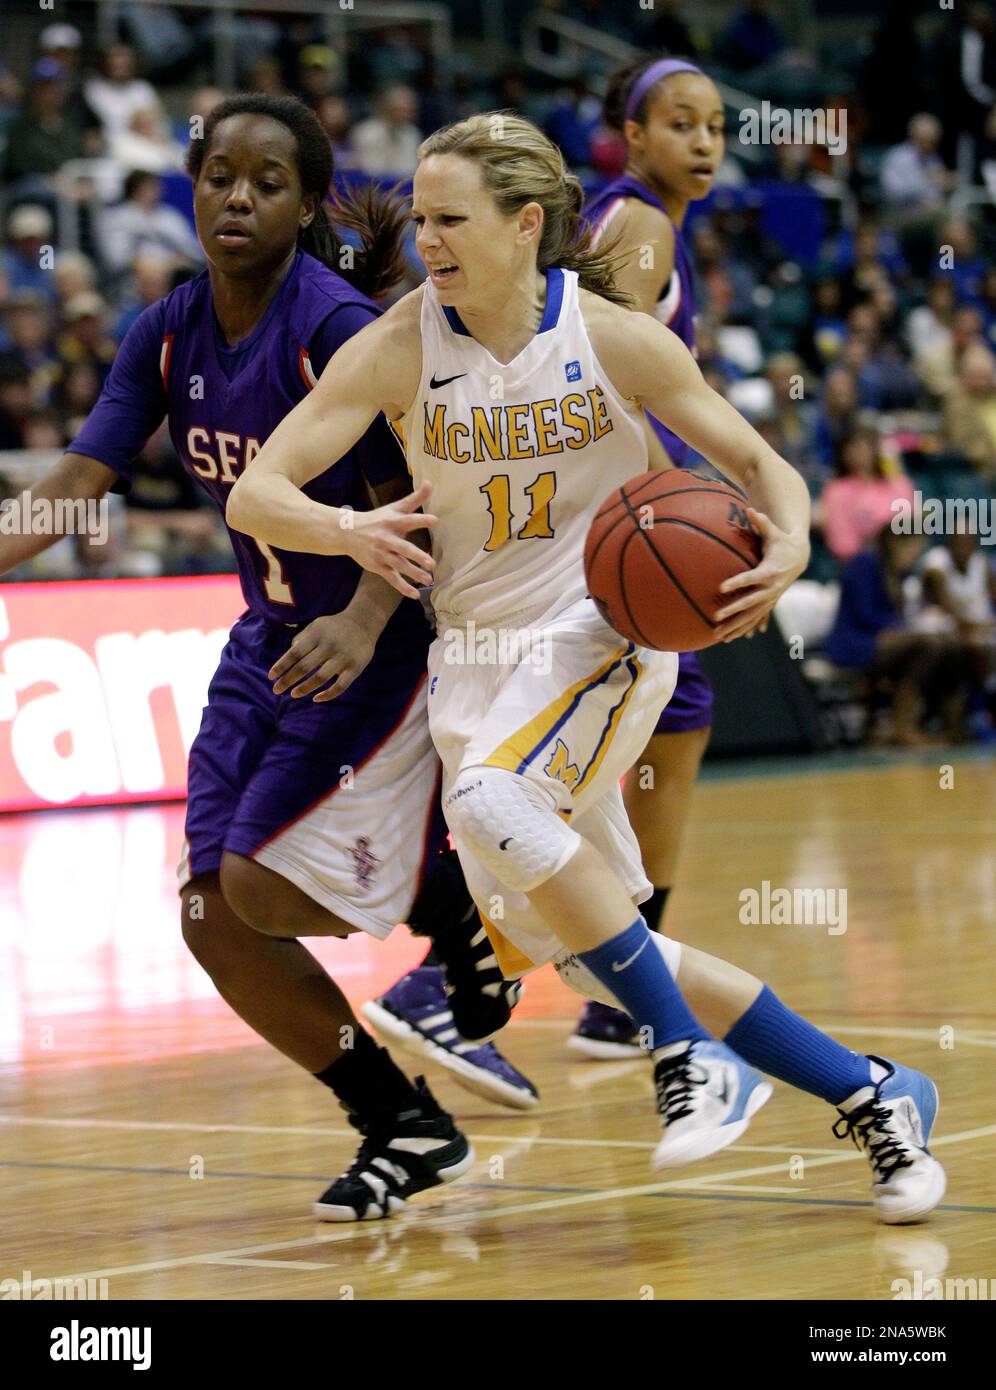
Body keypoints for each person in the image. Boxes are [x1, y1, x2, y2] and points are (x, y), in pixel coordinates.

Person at [228, 111, 946, 1222]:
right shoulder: (402, 342)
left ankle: (688, 1061)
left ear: (526, 226)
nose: (430, 240)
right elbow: (258, 491)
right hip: (475, 666)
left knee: (492, 796)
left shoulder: (611, 337)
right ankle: (878, 1091)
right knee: (600, 945)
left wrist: (792, 538)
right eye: (420, 218)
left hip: (600, 633)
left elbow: (760, 462)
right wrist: (345, 533)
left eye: (453, 219)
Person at [0, 93, 537, 1222]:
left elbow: (428, 504)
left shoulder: (334, 327)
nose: (237, 198)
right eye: (218, 177)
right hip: (267, 641)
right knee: (209, 916)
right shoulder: (166, 329)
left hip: (374, 639)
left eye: (268, 182)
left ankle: (459, 919)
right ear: (189, 188)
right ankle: (402, 1121)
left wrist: (360, 621)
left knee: (255, 880)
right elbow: (81, 478)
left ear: (303, 205)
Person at [564, 57, 727, 1057]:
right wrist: (676, 483)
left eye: (715, 125)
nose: (704, 142)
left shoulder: (640, 222)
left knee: (655, 729)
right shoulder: (643, 226)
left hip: (608, 513)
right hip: (612, 520)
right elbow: (588, 368)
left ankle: (620, 987)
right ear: (631, 132)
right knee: (661, 725)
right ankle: (614, 986)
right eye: (680, 123)